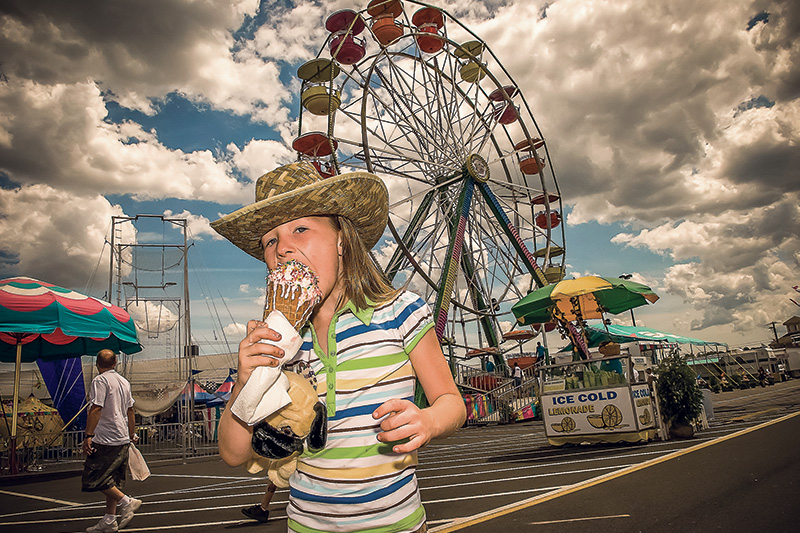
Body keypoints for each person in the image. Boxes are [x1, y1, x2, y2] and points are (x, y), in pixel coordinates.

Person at [213, 162, 466, 533]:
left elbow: (452, 402)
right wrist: (246, 381)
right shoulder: (277, 342)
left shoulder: (402, 311)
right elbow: (233, 454)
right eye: (270, 240)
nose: (283, 248)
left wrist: (428, 420)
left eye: (301, 229)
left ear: (342, 241)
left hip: (397, 524)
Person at [82, 349, 142, 532]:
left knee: (93, 477)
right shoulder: (123, 381)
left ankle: (126, 501)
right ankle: (109, 519)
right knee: (112, 480)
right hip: (122, 436)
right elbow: (131, 410)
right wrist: (131, 435)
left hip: (105, 437)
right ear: (115, 363)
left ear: (97, 364)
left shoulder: (100, 380)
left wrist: (88, 436)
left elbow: (96, 408)